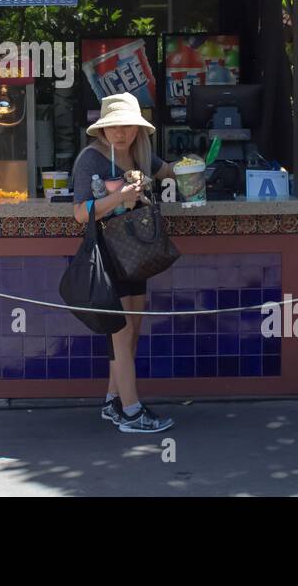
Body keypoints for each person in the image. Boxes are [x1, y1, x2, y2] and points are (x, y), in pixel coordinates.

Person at [72, 92, 175, 434]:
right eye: (114, 126)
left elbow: (169, 172)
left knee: (133, 329)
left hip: (135, 252)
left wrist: (192, 169)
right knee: (122, 332)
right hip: (107, 253)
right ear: (103, 128)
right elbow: (79, 213)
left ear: (138, 128)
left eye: (128, 126)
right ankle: (131, 412)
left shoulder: (141, 154)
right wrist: (120, 196)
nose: (121, 133)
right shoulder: (90, 159)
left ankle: (112, 401)